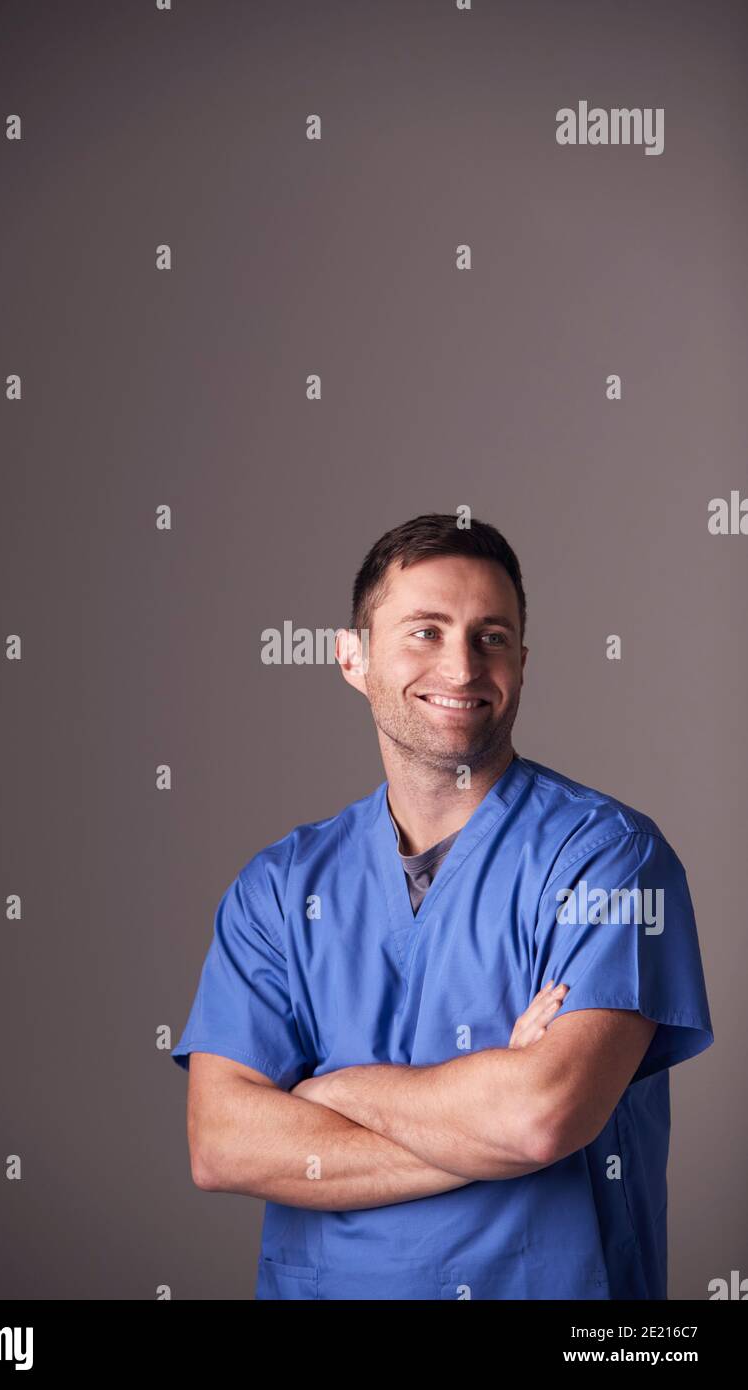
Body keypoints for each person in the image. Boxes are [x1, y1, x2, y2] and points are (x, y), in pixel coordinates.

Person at [171, 513, 714, 1300]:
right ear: (352, 658)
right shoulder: (281, 887)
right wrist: (483, 1114)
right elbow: (221, 1145)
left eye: (490, 637)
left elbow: (542, 1118)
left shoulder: (609, 859)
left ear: (521, 664)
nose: (461, 667)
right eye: (425, 632)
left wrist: (327, 1090)